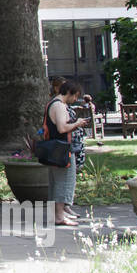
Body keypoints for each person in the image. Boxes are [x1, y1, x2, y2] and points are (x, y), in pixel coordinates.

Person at [45, 79, 88, 226]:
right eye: (75, 96)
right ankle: (59, 216)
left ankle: (58, 214)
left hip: (55, 148)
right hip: (62, 148)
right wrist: (77, 123)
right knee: (64, 181)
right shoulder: (59, 106)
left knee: (56, 181)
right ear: (69, 93)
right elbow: (62, 128)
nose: (75, 100)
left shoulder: (52, 104)